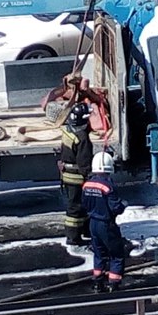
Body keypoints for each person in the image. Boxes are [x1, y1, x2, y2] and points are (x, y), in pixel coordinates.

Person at [82, 150, 127, 293]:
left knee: (99, 253)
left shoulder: (86, 185)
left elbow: (84, 204)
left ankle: (98, 282)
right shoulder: (108, 186)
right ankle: (114, 284)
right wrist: (123, 205)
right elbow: (115, 208)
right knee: (116, 254)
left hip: (93, 223)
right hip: (106, 224)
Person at [58, 104, 93, 246]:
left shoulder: (68, 131)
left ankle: (85, 230)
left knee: (81, 205)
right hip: (77, 177)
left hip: (67, 174)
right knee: (76, 207)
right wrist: (89, 176)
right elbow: (84, 161)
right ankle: (73, 237)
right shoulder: (82, 137)